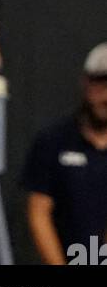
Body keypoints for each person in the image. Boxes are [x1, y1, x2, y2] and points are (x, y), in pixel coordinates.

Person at [22, 43, 107, 265]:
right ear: (85, 82)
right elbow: (38, 212)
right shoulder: (54, 140)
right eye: (101, 84)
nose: (106, 96)